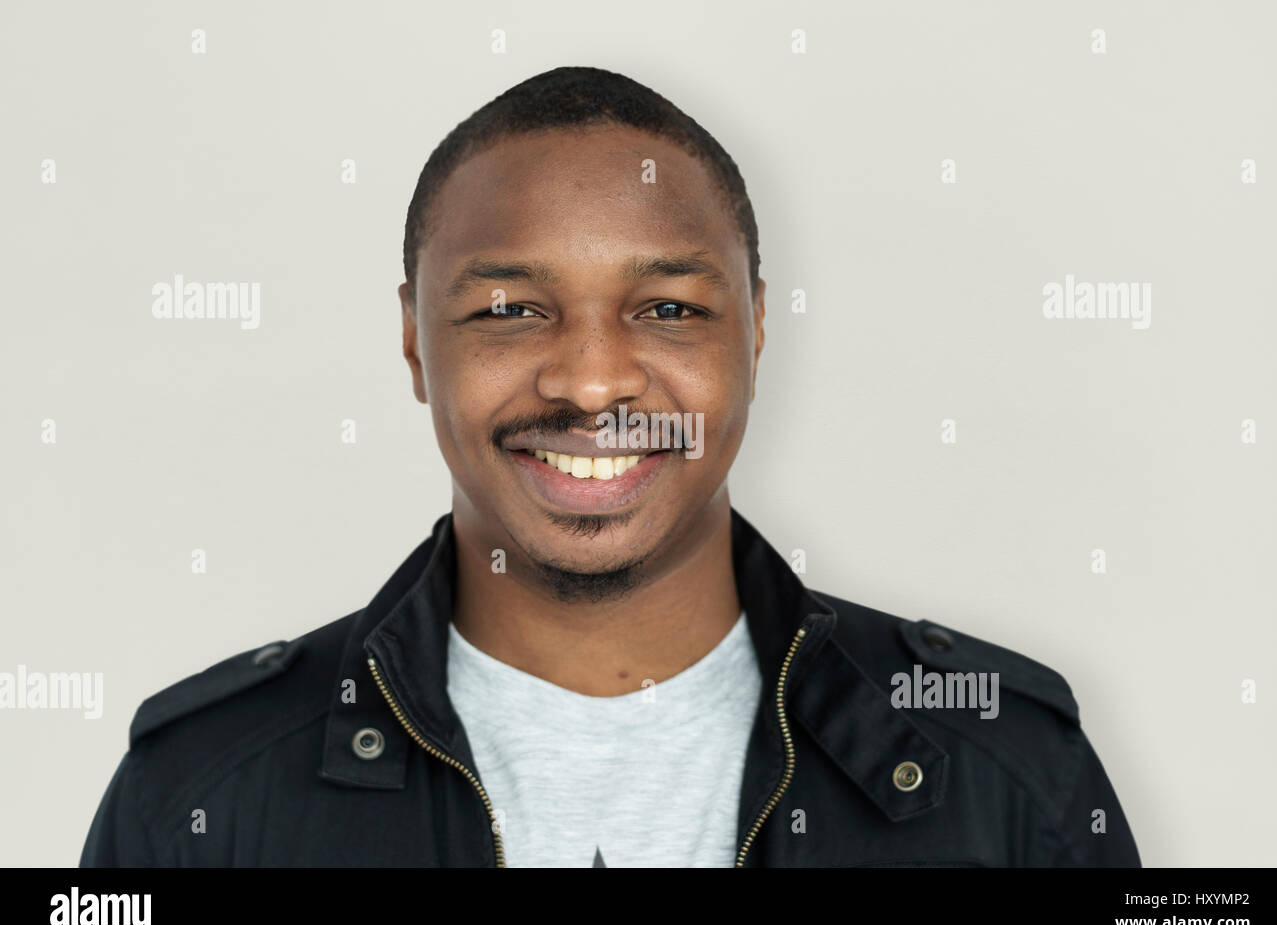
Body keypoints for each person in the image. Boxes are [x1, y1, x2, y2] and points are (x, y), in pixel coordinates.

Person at [81, 66, 1139, 867]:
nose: (591, 385)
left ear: (754, 334)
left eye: (668, 309)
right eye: (509, 312)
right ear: (415, 345)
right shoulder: (198, 800)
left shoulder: (1010, 778)